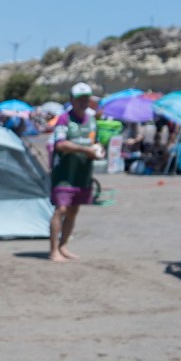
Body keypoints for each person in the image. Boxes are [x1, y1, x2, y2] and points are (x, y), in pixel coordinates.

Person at [48, 82, 104, 262]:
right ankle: (53, 250)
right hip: (64, 173)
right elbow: (60, 144)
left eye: (86, 99)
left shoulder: (92, 121)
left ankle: (63, 246)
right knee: (61, 209)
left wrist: (98, 151)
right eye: (79, 99)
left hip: (83, 173)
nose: (83, 102)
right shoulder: (64, 119)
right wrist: (85, 150)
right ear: (72, 100)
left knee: (74, 210)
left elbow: (95, 142)